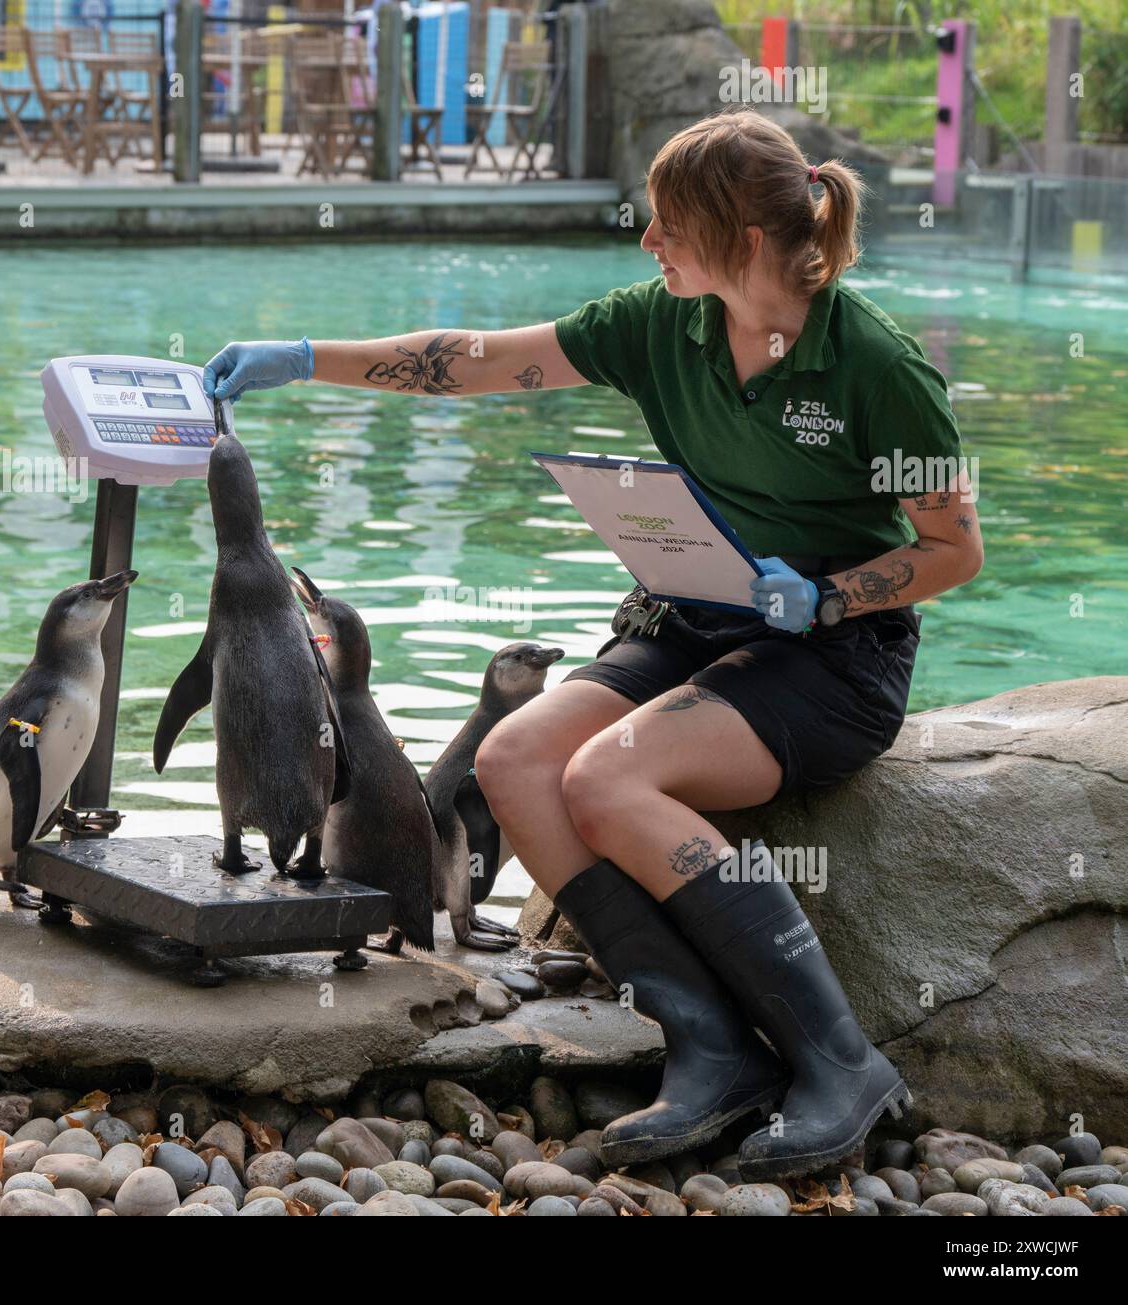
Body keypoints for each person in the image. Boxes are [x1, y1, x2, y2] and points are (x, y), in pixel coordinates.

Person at [202, 110, 983, 1178]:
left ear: (743, 240)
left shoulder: (875, 367)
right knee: (514, 759)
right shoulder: (663, 323)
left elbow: (952, 546)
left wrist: (833, 595)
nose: (647, 244)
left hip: (831, 656)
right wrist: (306, 360)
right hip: (690, 621)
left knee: (609, 781)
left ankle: (838, 1062)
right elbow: (477, 361)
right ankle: (707, 1047)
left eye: (666, 226)